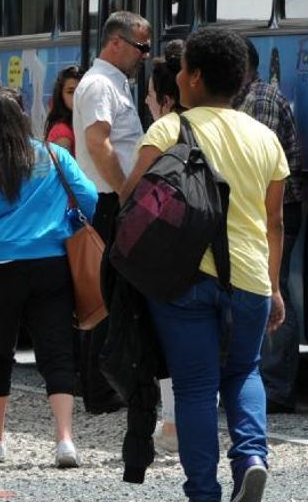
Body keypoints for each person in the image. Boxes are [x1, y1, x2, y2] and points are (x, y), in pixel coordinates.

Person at [121, 27, 288, 502]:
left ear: (193, 77)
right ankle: (252, 458)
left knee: (195, 386)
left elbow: (132, 196)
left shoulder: (170, 128)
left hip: (184, 277)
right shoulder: (264, 138)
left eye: (181, 67)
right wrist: (275, 287)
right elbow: (274, 222)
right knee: (245, 372)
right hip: (251, 278)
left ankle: (203, 492)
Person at [0, 84, 98, 468]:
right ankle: (65, 441)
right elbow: (88, 197)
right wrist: (61, 223)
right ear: (23, 118)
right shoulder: (54, 155)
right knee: (56, 351)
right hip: (51, 264)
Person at [72, 10, 150, 413]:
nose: (145, 55)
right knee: (106, 297)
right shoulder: (101, 84)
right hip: (107, 200)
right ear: (115, 43)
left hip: (107, 198)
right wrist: (125, 192)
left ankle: (101, 388)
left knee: (111, 295)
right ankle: (100, 391)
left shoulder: (110, 82)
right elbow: (99, 143)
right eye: (141, 47)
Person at [236, 37, 302, 414]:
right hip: (262, 210)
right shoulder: (242, 97)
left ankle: (276, 386)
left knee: (275, 289)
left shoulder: (259, 99)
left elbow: (255, 168)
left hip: (274, 210)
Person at [143, 38, 186, 455]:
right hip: (232, 257)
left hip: (173, 254)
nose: (148, 101)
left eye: (153, 95)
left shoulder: (163, 130)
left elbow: (138, 193)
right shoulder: (232, 124)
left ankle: (173, 424)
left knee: (167, 345)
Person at [44, 65, 82, 154]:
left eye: (81, 90)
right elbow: (63, 167)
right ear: (61, 96)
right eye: (70, 92)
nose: (76, 97)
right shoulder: (62, 132)